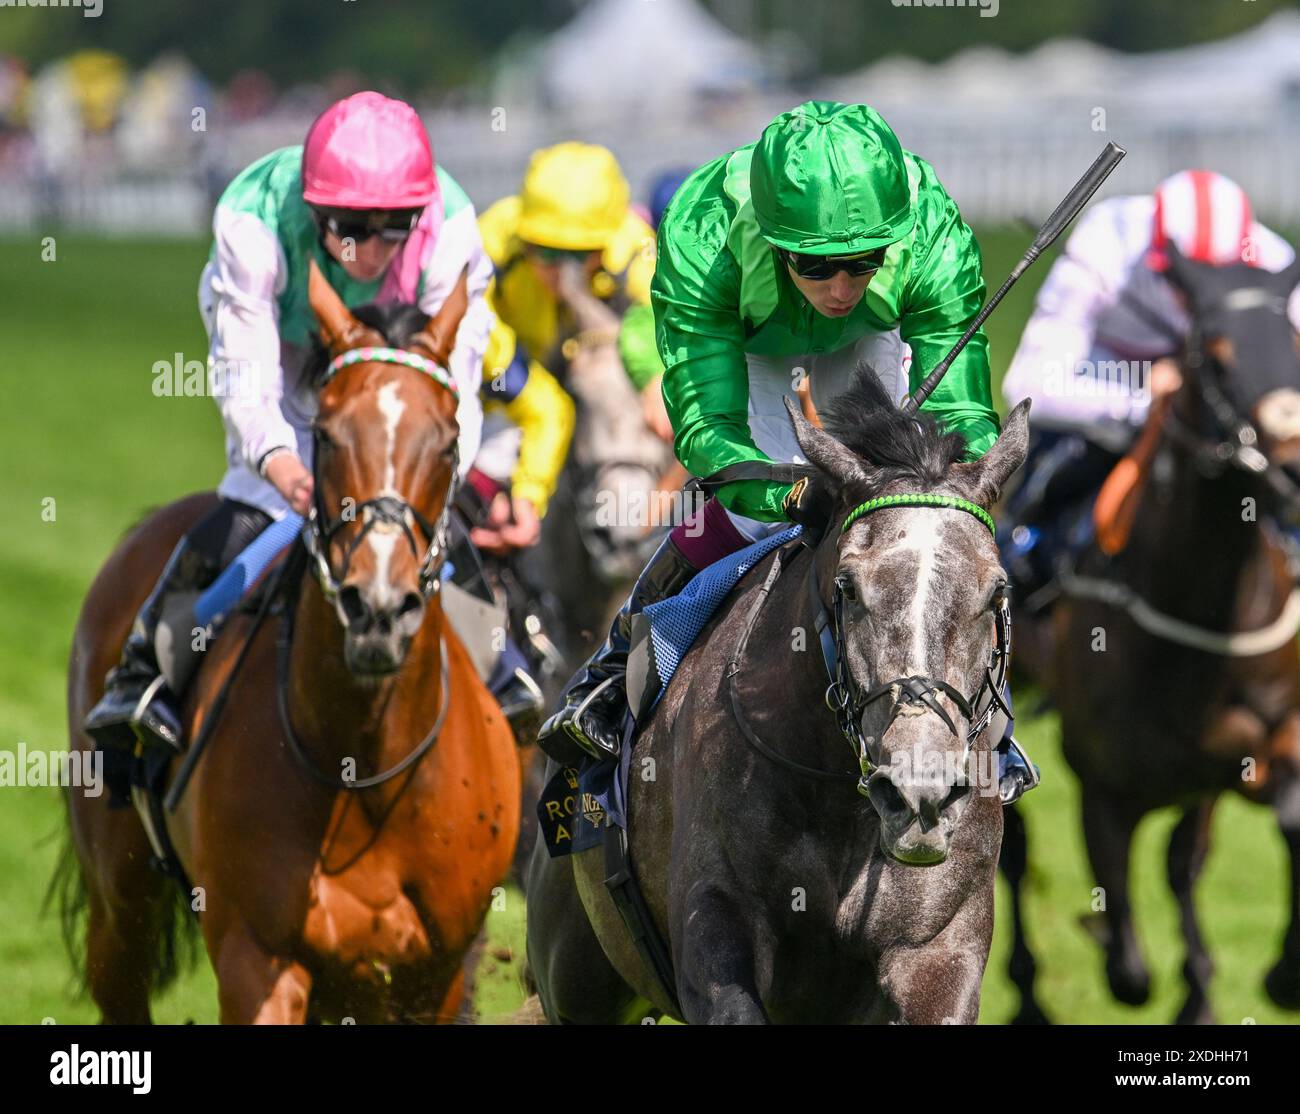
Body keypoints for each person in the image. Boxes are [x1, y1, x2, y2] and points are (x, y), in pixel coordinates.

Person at [537, 100, 1038, 803]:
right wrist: (797, 495)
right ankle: (613, 678)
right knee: (748, 523)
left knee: (932, 535)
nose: (840, 287)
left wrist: (953, 489)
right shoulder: (702, 234)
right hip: (750, 351)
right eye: (817, 264)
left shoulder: (930, 231)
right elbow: (708, 433)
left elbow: (961, 412)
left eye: (864, 263)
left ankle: (991, 728)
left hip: (874, 342)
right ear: (775, 243)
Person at [84, 91, 497, 756]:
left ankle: (507, 677)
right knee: (259, 503)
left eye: (389, 228)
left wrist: (424, 485)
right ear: (313, 211)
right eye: (344, 229)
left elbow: (458, 391)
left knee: (427, 520)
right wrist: (280, 460)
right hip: (285, 344)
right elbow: (247, 377)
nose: (364, 253)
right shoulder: (252, 226)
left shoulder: (451, 231)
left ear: (416, 216)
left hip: (399, 366)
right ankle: (142, 674)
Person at [999, 170, 1300, 602]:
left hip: (1212, 390)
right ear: (1156, 252)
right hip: (1117, 371)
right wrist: (1143, 401)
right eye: (1181, 281)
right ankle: (1022, 560)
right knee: (1055, 474)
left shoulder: (1270, 259)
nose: (1197, 298)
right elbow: (1029, 386)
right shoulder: (1106, 242)